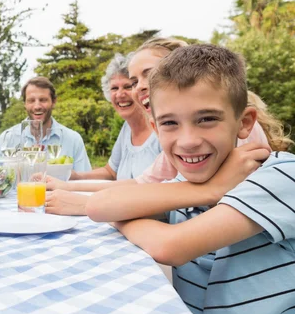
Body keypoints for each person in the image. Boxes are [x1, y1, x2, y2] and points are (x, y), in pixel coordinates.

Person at [87, 44, 295, 314]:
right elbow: (99, 205)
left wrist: (126, 217)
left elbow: (171, 247)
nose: (188, 140)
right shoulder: (190, 187)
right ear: (155, 127)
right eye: (170, 123)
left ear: (244, 122)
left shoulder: (283, 175)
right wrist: (209, 191)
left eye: (206, 119)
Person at [45, 38, 275, 215]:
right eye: (134, 81)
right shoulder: (172, 134)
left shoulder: (232, 136)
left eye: (151, 75)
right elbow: (142, 185)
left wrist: (88, 204)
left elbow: (207, 200)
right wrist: (69, 186)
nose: (141, 87)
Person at [0, 76, 91, 172]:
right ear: (25, 104)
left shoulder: (73, 140)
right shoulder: (7, 138)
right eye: (31, 100)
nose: (37, 106)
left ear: (53, 102)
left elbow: (84, 181)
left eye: (43, 100)